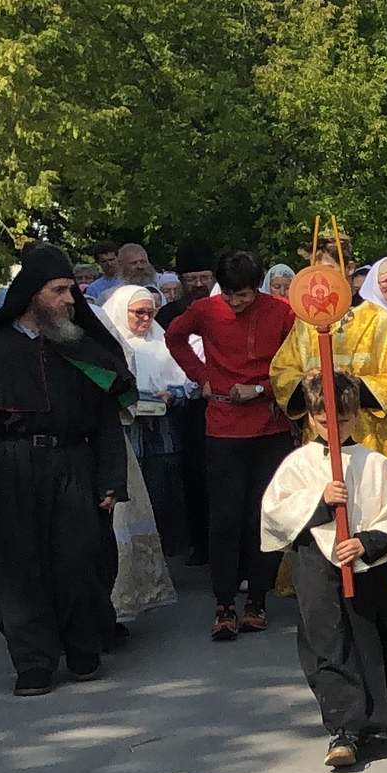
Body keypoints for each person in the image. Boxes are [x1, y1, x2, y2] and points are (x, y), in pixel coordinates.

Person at [0, 243, 135, 694]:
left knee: (80, 562)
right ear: (32, 296)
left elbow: (106, 420)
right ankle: (33, 661)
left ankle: (83, 646)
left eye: (70, 290)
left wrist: (111, 479)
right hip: (10, 468)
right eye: (60, 291)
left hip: (74, 464)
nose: (71, 299)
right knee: (16, 568)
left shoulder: (81, 347)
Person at [260, 371, 387, 769]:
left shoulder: (373, 463)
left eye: (343, 419)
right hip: (314, 564)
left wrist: (367, 541)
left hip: (363, 565)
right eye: (324, 421)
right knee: (327, 638)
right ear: (309, 418)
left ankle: (373, 718)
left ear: (356, 416)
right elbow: (274, 514)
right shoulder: (298, 465)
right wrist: (319, 501)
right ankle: (343, 728)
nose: (334, 427)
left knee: (366, 634)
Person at [166, 250, 298, 641]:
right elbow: (175, 337)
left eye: (243, 295)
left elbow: (297, 361)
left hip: (269, 425)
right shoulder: (206, 310)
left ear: (257, 288)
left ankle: (257, 599)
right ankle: (224, 602)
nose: (235, 302)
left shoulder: (282, 311)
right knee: (224, 517)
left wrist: (262, 388)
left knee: (263, 514)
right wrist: (201, 375)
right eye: (229, 295)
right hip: (223, 426)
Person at [93, 285, 183, 623]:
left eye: (150, 312)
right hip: (120, 437)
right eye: (138, 313)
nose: (146, 319)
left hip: (158, 432)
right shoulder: (114, 344)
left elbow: (182, 380)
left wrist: (171, 394)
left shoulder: (160, 341)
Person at [270, 255, 387, 460]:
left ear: (349, 267)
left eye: (330, 268)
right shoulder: (305, 325)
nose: (323, 277)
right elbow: (281, 372)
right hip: (320, 437)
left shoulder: (382, 321)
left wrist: (350, 386)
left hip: (369, 437)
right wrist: (309, 384)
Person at [160, 243, 217, 567]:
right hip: (186, 408)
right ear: (181, 279)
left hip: (221, 400)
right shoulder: (169, 315)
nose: (198, 284)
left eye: (204, 277)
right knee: (192, 473)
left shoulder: (225, 308)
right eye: (192, 278)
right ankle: (199, 542)